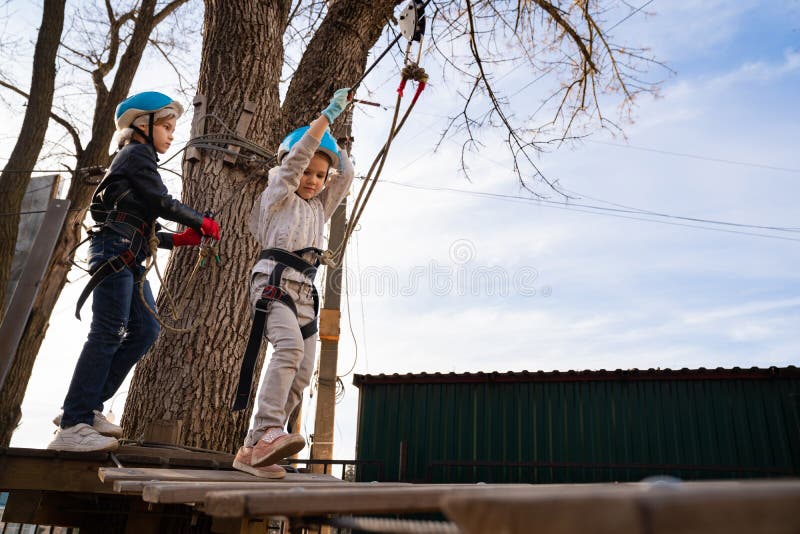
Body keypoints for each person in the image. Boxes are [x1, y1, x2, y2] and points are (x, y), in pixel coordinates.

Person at [48, 91, 221, 452]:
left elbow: (140, 223)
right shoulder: (137, 154)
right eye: (166, 126)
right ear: (143, 125)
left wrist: (181, 239)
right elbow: (162, 201)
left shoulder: (133, 162)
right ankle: (73, 421)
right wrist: (199, 220)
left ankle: (89, 405)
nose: (172, 135)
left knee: (145, 329)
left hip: (129, 252)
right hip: (115, 252)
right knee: (108, 332)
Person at [232, 88, 354, 478]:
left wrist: (339, 147)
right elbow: (299, 156)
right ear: (290, 166)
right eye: (307, 171)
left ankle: (254, 449)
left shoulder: (319, 208)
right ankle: (269, 428)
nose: (313, 180)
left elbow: (346, 176)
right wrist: (325, 119)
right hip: (274, 283)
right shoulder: (278, 195)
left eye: (321, 175)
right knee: (286, 349)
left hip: (305, 292)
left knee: (302, 374)